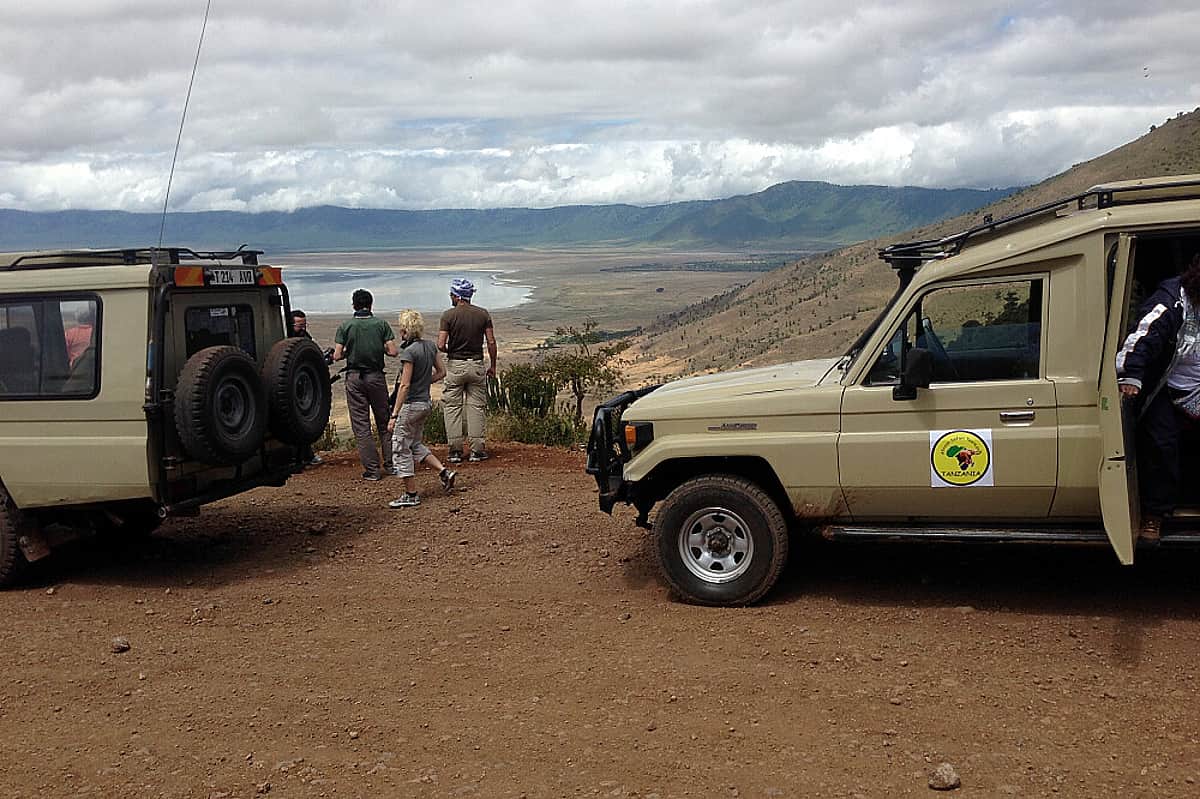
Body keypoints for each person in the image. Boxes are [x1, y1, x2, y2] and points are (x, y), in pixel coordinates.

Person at [1116, 252, 1200, 543]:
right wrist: (1133, 375)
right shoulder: (1172, 301)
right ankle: (1155, 513)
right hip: (1169, 385)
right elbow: (1142, 339)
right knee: (1162, 443)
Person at [385, 310, 457, 508]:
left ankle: (411, 494)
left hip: (410, 406)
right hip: (425, 403)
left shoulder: (409, 352)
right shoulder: (429, 346)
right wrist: (424, 383)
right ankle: (444, 472)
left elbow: (405, 385)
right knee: (415, 444)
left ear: (406, 329)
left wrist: (394, 414)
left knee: (400, 447)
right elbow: (441, 372)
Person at [332, 289, 398, 481]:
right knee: (385, 422)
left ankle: (372, 470)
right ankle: (392, 464)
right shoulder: (381, 324)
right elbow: (392, 351)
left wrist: (348, 350)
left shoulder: (346, 326)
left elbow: (337, 355)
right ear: (371, 304)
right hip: (376, 377)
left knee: (361, 425)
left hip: (354, 378)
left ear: (353, 305)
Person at [438, 277, 497, 463]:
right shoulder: (483, 314)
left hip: (456, 365)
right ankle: (477, 450)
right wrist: (493, 366)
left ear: (456, 296)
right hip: (477, 365)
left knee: (452, 407)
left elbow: (440, 344)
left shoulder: (448, 315)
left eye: (451, 294)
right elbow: (491, 342)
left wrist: (451, 349)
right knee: (476, 407)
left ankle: (455, 451)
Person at [289, 309, 323, 466]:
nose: (302, 328)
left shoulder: (305, 338)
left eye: (304, 324)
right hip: (288, 388)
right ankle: (297, 457)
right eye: (299, 325)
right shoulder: (285, 339)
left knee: (302, 422)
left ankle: (306, 456)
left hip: (302, 386)